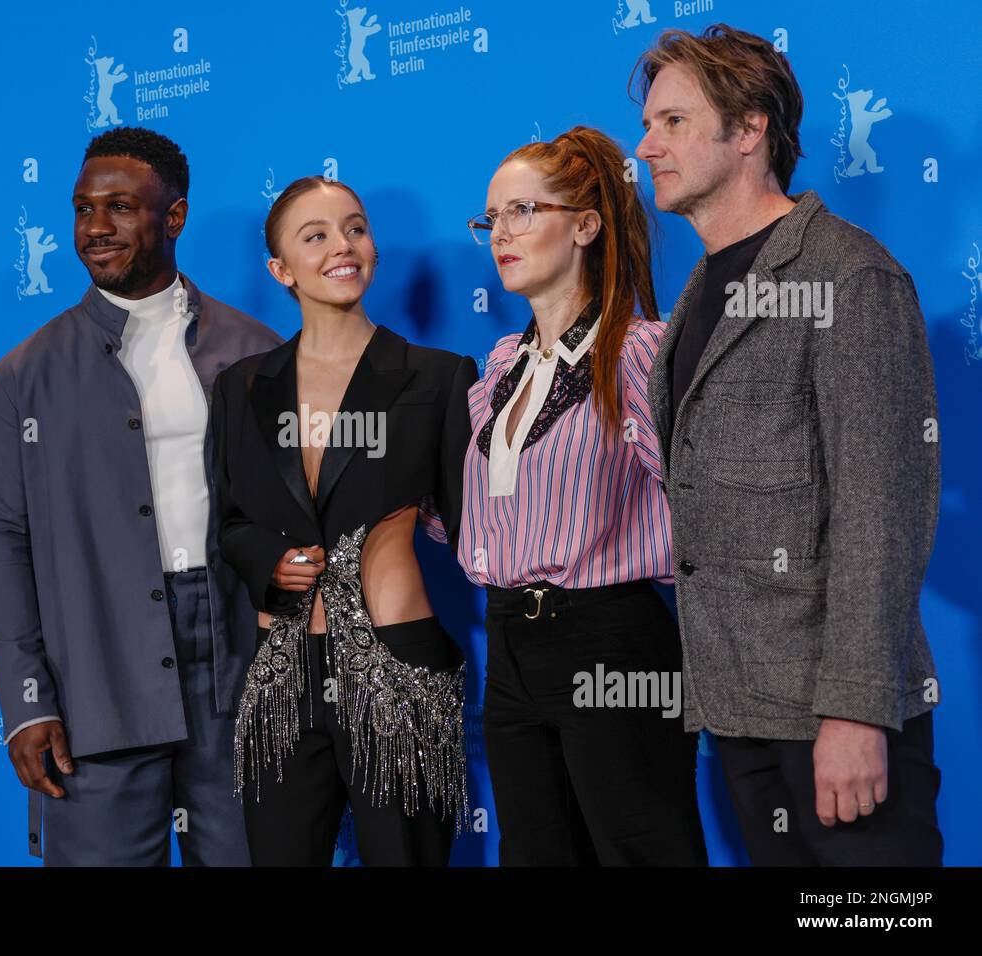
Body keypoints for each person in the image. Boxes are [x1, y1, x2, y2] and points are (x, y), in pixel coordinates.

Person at [632, 24, 942, 865]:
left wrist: (855, 711)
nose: (646, 144)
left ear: (750, 128)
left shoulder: (849, 277)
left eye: (673, 123)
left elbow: (881, 510)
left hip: (833, 715)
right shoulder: (697, 293)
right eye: (648, 123)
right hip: (738, 712)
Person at [0, 127, 282, 865]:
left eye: (119, 208)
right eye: (82, 210)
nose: (95, 230)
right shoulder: (24, 375)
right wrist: (27, 705)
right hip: (95, 671)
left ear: (173, 218)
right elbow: (4, 542)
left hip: (236, 661)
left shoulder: (258, 352)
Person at [211, 175, 479, 865]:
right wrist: (266, 563)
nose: (344, 246)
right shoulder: (240, 388)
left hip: (397, 665)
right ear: (281, 270)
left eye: (356, 228)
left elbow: (475, 527)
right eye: (317, 235)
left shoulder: (438, 377)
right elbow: (229, 524)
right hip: (279, 676)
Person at [459, 127, 708, 866]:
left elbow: (706, 502)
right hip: (508, 643)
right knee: (535, 854)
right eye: (491, 219)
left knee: (641, 847)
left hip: (610, 635)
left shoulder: (639, 350)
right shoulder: (502, 365)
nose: (501, 233)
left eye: (522, 212)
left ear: (586, 225)